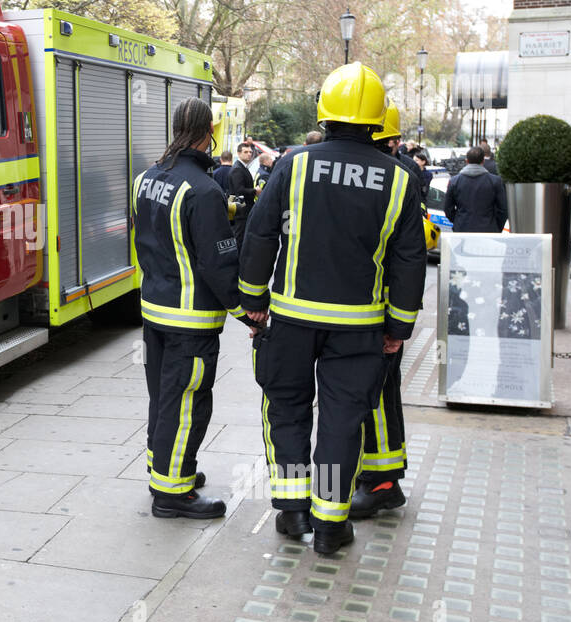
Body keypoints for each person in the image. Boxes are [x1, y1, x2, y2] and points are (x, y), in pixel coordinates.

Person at [239, 63, 426, 556]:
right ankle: (330, 526)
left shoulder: (293, 164)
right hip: (359, 328)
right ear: (376, 119)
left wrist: (253, 303)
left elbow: (260, 235)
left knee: (287, 407)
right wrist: (398, 328)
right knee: (344, 421)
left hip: (292, 320)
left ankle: (293, 510)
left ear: (324, 113)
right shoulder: (401, 179)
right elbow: (409, 263)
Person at [132, 98, 254, 519]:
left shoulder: (145, 178)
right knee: (186, 401)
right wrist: (248, 312)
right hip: (191, 320)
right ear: (209, 131)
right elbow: (218, 263)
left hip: (155, 310)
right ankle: (173, 492)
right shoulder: (203, 190)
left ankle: (163, 466)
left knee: (161, 397)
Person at [351, 102, 412, 518]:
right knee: (374, 394)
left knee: (379, 395)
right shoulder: (391, 178)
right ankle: (374, 473)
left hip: (381, 311)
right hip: (379, 309)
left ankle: (384, 481)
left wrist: (397, 326)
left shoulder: (395, 179)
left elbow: (404, 260)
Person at [444, 146, 509, 232]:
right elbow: (503, 209)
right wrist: (496, 226)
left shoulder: (454, 181)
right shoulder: (495, 181)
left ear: (466, 161)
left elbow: (448, 208)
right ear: (483, 161)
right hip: (488, 229)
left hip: (462, 228)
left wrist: (458, 220)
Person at [229, 142, 256, 246]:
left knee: (241, 235)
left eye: (250, 152)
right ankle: (237, 259)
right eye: (245, 152)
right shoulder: (237, 169)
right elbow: (239, 190)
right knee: (239, 236)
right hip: (239, 207)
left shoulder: (242, 167)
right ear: (239, 153)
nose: (249, 154)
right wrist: (255, 191)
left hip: (239, 206)